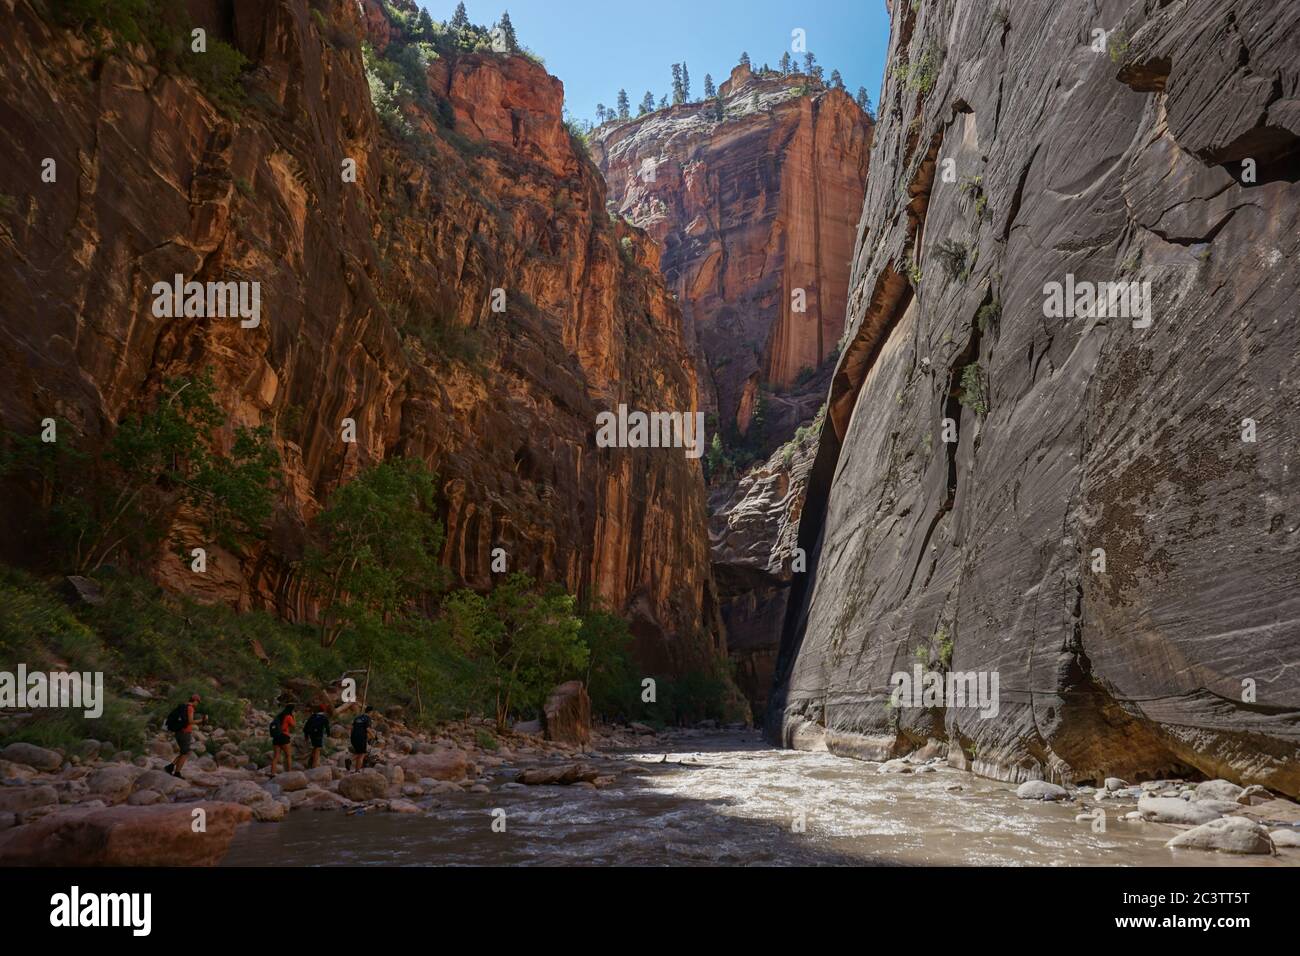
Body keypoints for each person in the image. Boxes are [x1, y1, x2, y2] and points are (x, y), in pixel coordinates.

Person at [163, 694, 202, 778]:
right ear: (195, 700)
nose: (197, 703)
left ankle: (170, 767)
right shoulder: (190, 708)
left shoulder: (183, 706)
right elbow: (190, 721)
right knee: (185, 753)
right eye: (198, 702)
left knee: (183, 752)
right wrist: (201, 720)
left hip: (179, 732)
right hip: (184, 733)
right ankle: (177, 772)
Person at [269, 704, 296, 774]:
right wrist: (294, 717)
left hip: (276, 737)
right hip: (284, 737)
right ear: (291, 710)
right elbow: (294, 725)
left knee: (276, 756)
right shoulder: (288, 716)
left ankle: (272, 773)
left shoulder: (278, 716)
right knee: (288, 755)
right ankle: (289, 772)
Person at [349, 706, 375, 772]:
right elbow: (367, 729)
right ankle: (353, 766)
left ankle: (355, 768)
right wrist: (373, 736)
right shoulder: (368, 718)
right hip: (361, 737)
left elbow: (352, 728)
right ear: (370, 712)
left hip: (353, 737)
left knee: (359, 753)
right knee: (362, 754)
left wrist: (352, 736)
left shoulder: (358, 717)